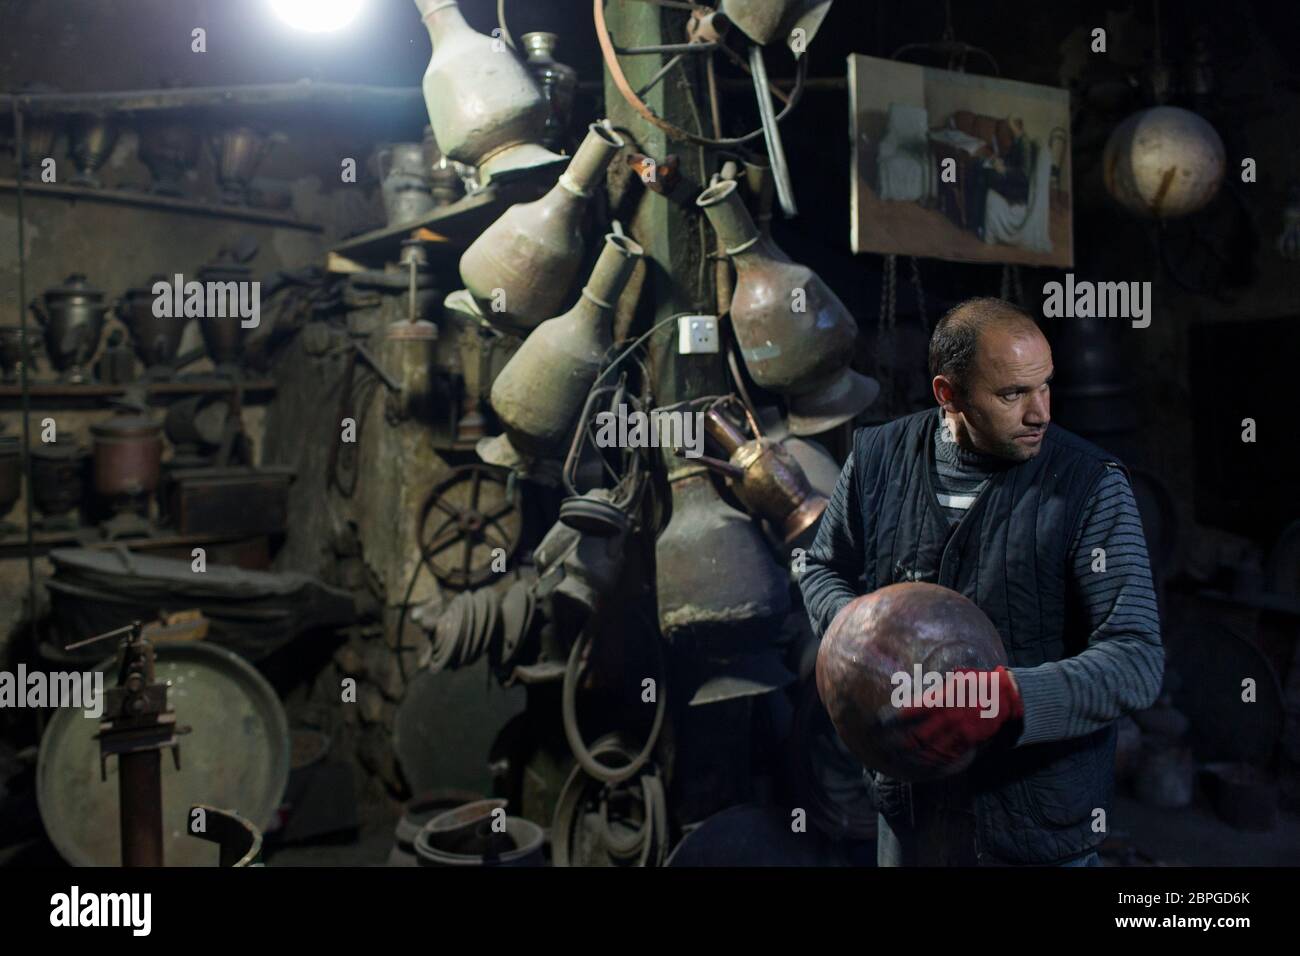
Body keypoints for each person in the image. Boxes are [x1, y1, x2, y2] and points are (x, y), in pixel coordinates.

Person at [799, 297, 1163, 866]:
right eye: (1013, 394)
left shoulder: (1092, 485)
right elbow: (823, 567)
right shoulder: (876, 458)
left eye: (1045, 386)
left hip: (1036, 825)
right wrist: (856, 641)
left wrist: (1011, 698)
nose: (1041, 412)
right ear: (949, 394)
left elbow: (1137, 659)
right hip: (911, 812)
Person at [967, 117, 1031, 239]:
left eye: (1010, 128)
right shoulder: (1017, 139)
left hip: (1016, 187)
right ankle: (975, 220)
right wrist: (999, 160)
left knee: (983, 178)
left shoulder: (1024, 143)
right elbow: (1010, 160)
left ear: (1018, 127)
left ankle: (978, 223)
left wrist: (1004, 169)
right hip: (1009, 178)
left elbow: (1024, 174)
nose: (1008, 131)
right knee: (978, 168)